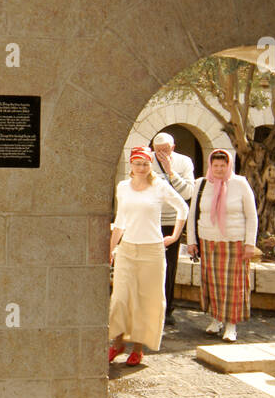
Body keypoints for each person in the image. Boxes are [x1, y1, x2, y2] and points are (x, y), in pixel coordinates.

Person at [109, 146, 188, 366]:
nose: (141, 167)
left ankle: (138, 348)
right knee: (120, 298)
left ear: (149, 165)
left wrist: (174, 236)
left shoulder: (159, 186)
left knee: (146, 301)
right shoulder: (123, 187)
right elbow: (121, 220)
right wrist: (111, 248)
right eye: (137, 163)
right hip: (127, 249)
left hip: (152, 250)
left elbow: (183, 208)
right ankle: (117, 344)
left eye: (145, 163)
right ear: (131, 166)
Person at [186, 148, 258, 342]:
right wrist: (191, 241)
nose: (219, 169)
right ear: (210, 165)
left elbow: (252, 216)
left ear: (229, 165)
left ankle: (231, 325)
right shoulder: (201, 184)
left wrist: (250, 243)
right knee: (212, 283)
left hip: (234, 242)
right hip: (209, 241)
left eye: (222, 165)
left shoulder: (240, 184)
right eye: (215, 165)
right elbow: (192, 214)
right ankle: (216, 319)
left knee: (233, 285)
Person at [150, 132, 196, 326]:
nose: (161, 154)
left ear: (173, 148)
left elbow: (188, 192)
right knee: (150, 265)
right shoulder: (147, 160)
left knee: (169, 265)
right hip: (151, 220)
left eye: (165, 150)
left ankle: (167, 308)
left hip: (172, 221)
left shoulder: (184, 162)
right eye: (158, 150)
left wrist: (171, 172)